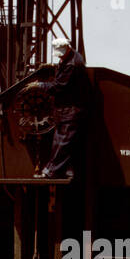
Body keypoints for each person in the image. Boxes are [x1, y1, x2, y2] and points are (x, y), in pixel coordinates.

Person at [40, 40, 90, 178]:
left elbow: (58, 87)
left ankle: (52, 171)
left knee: (62, 142)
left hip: (71, 110)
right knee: (62, 141)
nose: (60, 57)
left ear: (67, 48)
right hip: (68, 109)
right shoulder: (72, 56)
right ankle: (67, 169)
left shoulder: (71, 65)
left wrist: (40, 86)